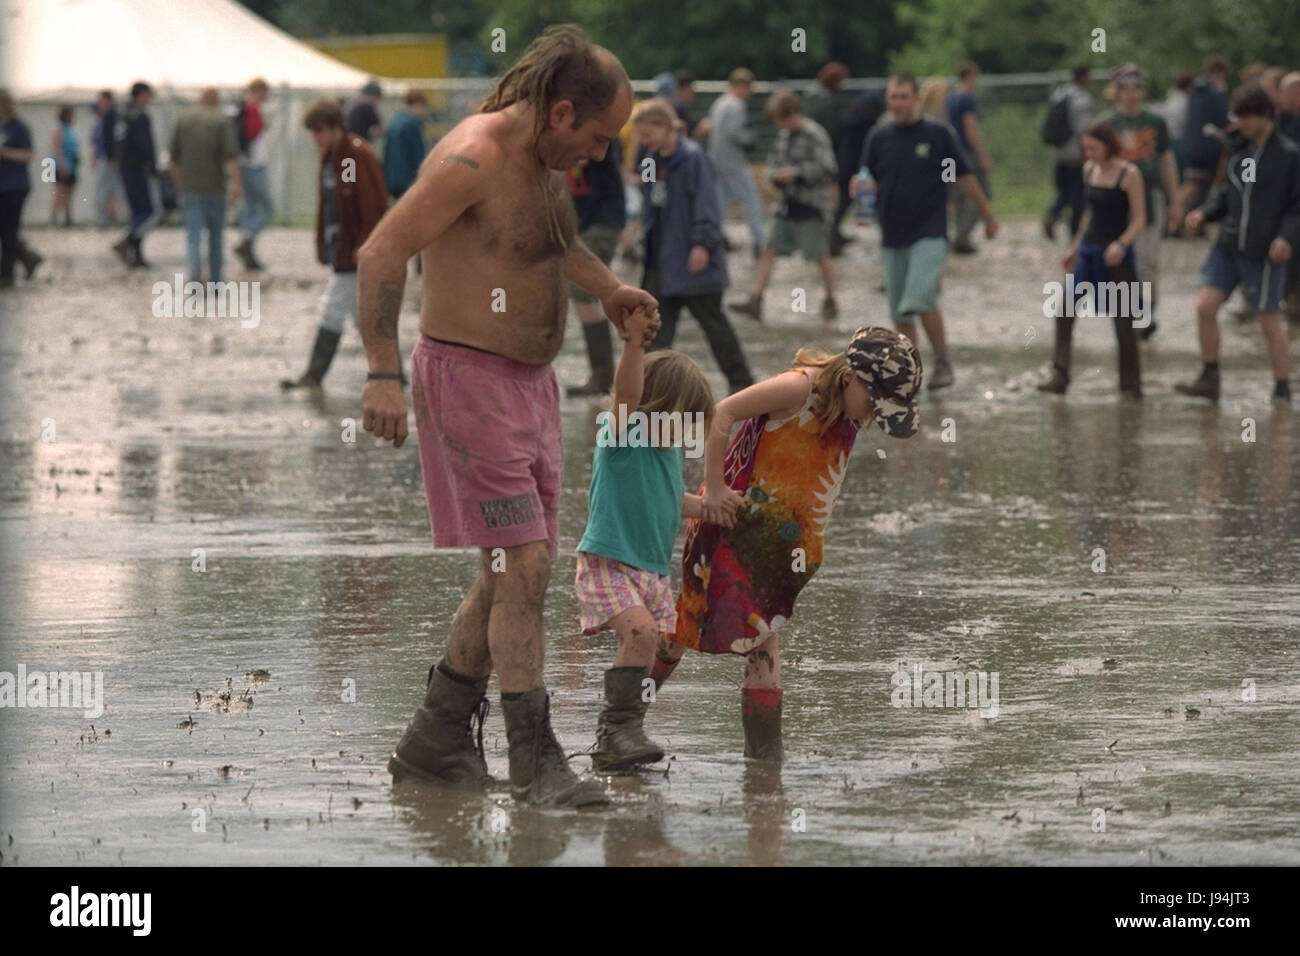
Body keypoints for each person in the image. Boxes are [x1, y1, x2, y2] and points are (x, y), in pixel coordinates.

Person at [358, 25, 658, 808]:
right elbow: (381, 251)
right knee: (521, 566)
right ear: (561, 113)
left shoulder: (543, 160)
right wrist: (382, 375)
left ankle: (434, 740)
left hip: (531, 387)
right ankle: (535, 762)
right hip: (468, 383)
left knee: (506, 577)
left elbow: (555, 244)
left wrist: (610, 289)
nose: (599, 153)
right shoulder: (474, 156)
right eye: (597, 138)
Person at [651, 327, 922, 761]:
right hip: (731, 529)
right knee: (688, 628)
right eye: (874, 406)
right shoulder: (798, 389)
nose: (872, 419)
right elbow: (721, 414)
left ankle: (761, 763)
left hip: (777, 549)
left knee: (756, 637)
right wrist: (715, 490)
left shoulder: (847, 411)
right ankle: (629, 720)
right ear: (850, 377)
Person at [576, 309, 727, 771]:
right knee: (640, 633)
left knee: (645, 649)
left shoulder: (667, 451)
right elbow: (626, 392)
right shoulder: (621, 433)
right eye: (681, 418)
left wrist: (709, 507)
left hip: (651, 569)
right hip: (610, 560)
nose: (684, 431)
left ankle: (619, 735)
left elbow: (667, 498)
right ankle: (617, 729)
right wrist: (633, 345)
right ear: (656, 406)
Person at [852, 73, 998, 390]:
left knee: (917, 298)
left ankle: (943, 360)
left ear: (916, 98)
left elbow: (964, 176)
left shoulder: (937, 134)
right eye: (893, 97)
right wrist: (860, 190)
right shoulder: (878, 136)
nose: (899, 103)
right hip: (892, 233)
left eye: (904, 96)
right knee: (900, 312)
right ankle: (911, 371)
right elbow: (868, 177)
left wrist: (987, 216)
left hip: (930, 231)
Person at [1174, 85, 1299, 403]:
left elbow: (1296, 206)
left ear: (1264, 116)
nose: (1240, 122)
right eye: (1237, 116)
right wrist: (1203, 213)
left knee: (1268, 319)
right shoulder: (1239, 152)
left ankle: (1282, 386)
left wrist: (1285, 237)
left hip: (1265, 250)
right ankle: (1209, 374)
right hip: (1229, 245)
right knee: (1205, 307)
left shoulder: (1288, 155)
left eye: (1246, 116)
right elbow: (1230, 197)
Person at [634, 98, 753, 392]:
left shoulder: (692, 157)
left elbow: (707, 205)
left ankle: (742, 384)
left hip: (693, 259)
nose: (644, 140)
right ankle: (648, 389)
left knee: (715, 326)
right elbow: (650, 201)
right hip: (662, 260)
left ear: (665, 127)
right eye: (642, 135)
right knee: (655, 330)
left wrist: (701, 244)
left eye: (648, 133)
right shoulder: (651, 159)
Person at [279, 98, 389, 390]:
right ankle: (390, 372)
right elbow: (336, 201)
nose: (315, 138)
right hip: (343, 247)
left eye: (318, 131)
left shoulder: (351, 156)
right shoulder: (335, 155)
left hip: (352, 250)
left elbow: (363, 202)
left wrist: (364, 244)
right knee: (363, 314)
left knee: (335, 308)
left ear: (332, 127)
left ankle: (315, 374)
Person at [1037, 121, 1148, 397]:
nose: (1088, 153)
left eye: (1093, 148)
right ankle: (1060, 374)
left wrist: (1122, 244)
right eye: (1085, 148)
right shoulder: (1089, 170)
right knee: (1064, 308)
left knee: (1123, 321)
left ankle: (1131, 386)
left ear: (1108, 144)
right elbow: (1089, 214)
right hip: (1088, 250)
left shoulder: (1129, 173)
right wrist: (1073, 248)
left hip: (1116, 254)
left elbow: (1140, 218)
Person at [730, 90, 839, 322]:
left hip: (811, 206)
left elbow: (828, 168)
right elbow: (772, 164)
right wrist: (775, 176)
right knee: (769, 251)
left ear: (791, 113)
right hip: (786, 206)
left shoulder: (815, 135)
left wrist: (798, 174)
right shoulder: (784, 136)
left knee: (819, 255)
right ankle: (756, 299)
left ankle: (831, 298)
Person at [1105, 64, 1181, 339]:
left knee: (1148, 255)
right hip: (1117, 196)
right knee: (1121, 255)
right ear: (1118, 93)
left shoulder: (1155, 122)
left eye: (1136, 89)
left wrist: (1175, 200)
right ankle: (1128, 311)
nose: (1131, 95)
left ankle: (1147, 310)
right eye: (1125, 90)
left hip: (1149, 193)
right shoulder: (1108, 124)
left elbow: (1166, 159)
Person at [565, 128, 626, 395]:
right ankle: (602, 375)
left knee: (583, 292)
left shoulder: (599, 136)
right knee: (583, 295)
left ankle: (602, 376)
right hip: (589, 220)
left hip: (601, 221)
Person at [169, 88, 241, 283]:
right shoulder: (221, 121)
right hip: (215, 187)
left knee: (193, 235)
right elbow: (230, 156)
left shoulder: (183, 120)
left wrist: (179, 184)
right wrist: (236, 184)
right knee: (216, 238)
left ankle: (193, 274)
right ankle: (216, 280)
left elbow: (173, 159)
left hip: (189, 187)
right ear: (216, 101)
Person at [708, 68, 765, 257]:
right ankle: (759, 241)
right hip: (733, 161)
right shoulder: (735, 105)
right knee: (751, 200)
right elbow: (735, 132)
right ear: (741, 86)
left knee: (720, 204)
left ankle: (715, 239)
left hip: (716, 160)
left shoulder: (719, 102)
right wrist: (749, 139)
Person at [804, 62, 853, 254]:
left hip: (813, 154)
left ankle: (831, 233)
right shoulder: (828, 102)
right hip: (827, 154)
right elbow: (834, 131)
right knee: (836, 196)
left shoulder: (810, 98)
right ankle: (829, 234)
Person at [1179, 56, 1230, 235]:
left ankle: (1188, 222)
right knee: (1194, 184)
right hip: (1206, 147)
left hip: (1194, 144)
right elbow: (1222, 120)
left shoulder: (1196, 91)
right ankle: (1176, 219)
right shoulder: (1214, 93)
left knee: (1195, 185)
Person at [113, 81, 161, 269]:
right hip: (140, 169)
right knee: (150, 212)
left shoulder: (123, 115)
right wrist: (152, 167)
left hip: (125, 169)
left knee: (137, 212)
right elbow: (145, 144)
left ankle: (136, 253)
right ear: (141, 94)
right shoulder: (140, 117)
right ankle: (128, 241)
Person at [1044, 66, 1095, 241]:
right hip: (1075, 154)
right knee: (1077, 195)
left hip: (1058, 153)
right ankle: (1074, 231)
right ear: (1084, 77)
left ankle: (1053, 213)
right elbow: (1084, 129)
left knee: (1063, 190)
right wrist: (1088, 154)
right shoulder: (1083, 99)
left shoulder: (1059, 93)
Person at [947, 61, 993, 255]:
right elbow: (970, 129)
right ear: (970, 76)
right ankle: (963, 235)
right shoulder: (967, 99)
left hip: (950, 152)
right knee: (982, 192)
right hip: (966, 152)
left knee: (956, 197)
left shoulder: (950, 98)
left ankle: (958, 234)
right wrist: (982, 155)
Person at [0, 89, 42, 287]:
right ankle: (27, 258)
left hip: (15, 186)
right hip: (2, 185)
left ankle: (7, 273)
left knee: (9, 230)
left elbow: (29, 155)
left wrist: (5, 153)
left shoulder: (19, 127)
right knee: (6, 230)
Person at [233, 78, 273, 271]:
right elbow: (253, 132)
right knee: (266, 207)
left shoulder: (245, 108)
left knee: (250, 207)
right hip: (253, 164)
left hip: (246, 163)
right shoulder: (252, 108)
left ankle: (248, 246)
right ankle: (247, 239)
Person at [383, 90, 429, 201]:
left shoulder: (395, 122)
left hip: (391, 177)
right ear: (418, 104)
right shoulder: (412, 125)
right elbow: (418, 155)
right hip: (408, 179)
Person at [91, 90, 125, 228]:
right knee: (109, 189)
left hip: (108, 159)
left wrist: (111, 156)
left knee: (105, 190)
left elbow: (110, 140)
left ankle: (105, 218)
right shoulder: (109, 117)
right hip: (108, 158)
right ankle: (106, 218)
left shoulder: (110, 117)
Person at [50, 106, 80, 227]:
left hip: (71, 165)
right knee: (59, 191)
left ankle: (68, 217)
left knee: (69, 192)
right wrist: (62, 165)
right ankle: (53, 218)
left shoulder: (70, 130)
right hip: (61, 165)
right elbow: (56, 149)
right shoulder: (58, 130)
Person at [669, 68, 709, 139]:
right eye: (691, 86)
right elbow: (691, 134)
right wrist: (704, 127)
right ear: (686, 87)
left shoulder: (670, 103)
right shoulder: (679, 107)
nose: (693, 91)